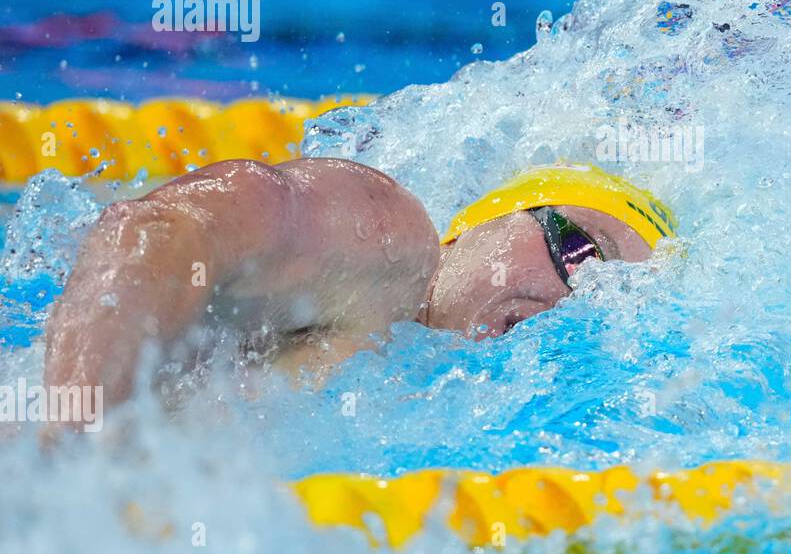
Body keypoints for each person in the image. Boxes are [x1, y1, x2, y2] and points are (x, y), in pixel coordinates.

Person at [43, 159, 676, 412]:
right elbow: (165, 230)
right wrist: (73, 438)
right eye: (581, 252)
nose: (570, 305)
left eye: (604, 305)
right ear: (484, 223)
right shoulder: (387, 249)